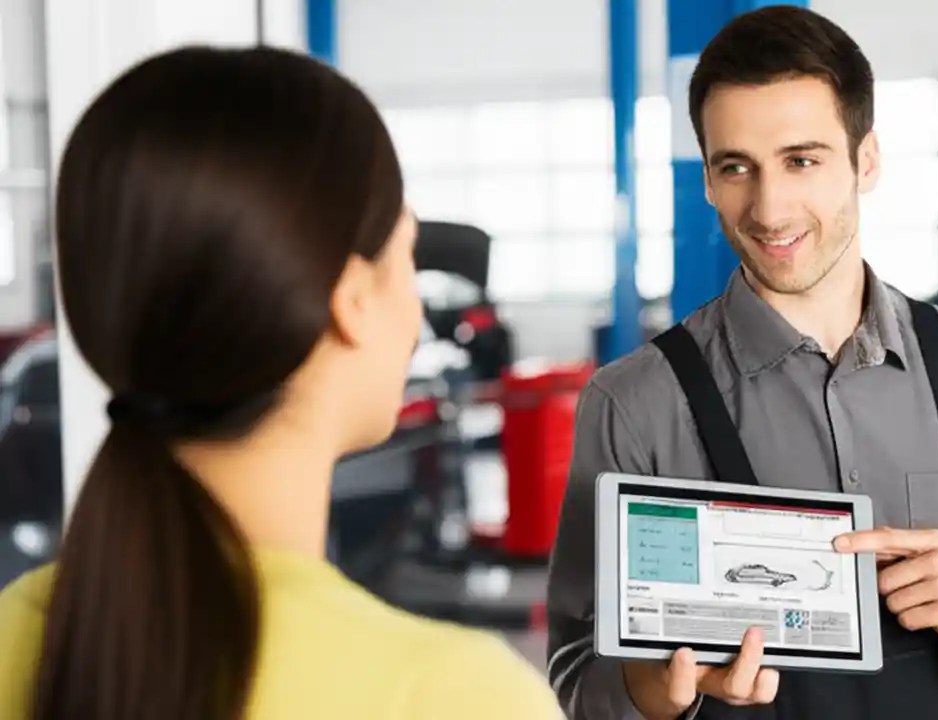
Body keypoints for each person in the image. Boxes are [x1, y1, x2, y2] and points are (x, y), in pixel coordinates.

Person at [546, 6, 938, 720]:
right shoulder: (636, 402)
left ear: (867, 160)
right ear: (707, 178)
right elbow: (578, 672)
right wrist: (660, 689)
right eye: (736, 167)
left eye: (802, 160)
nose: (770, 208)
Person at [0, 46, 562, 720]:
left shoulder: (12, 632)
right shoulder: (458, 697)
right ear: (350, 299)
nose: (414, 305)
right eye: (405, 255)